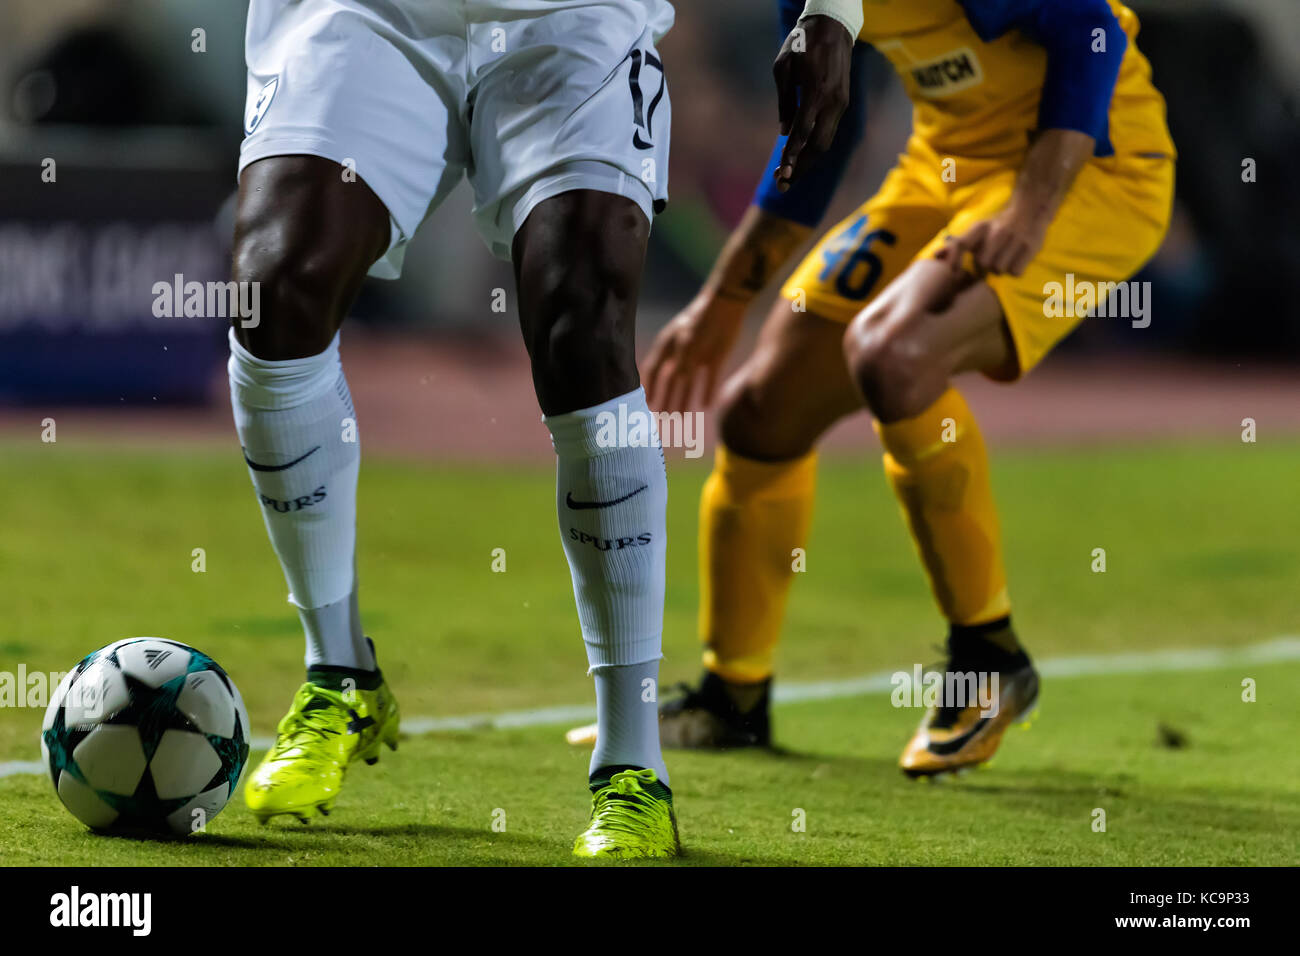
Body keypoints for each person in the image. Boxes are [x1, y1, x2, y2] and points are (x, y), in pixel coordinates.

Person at [633, 0, 1174, 776]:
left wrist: (1031, 205)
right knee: (761, 412)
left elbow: (1093, 29)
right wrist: (722, 304)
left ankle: (989, 658)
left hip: (1091, 170)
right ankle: (734, 697)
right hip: (944, 169)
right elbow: (823, 134)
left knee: (894, 355)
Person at [229, 0, 680, 857]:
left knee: (581, 316)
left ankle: (634, 764)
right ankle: (340, 674)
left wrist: (831, 14)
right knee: (275, 288)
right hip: (368, 14)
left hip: (571, 16)